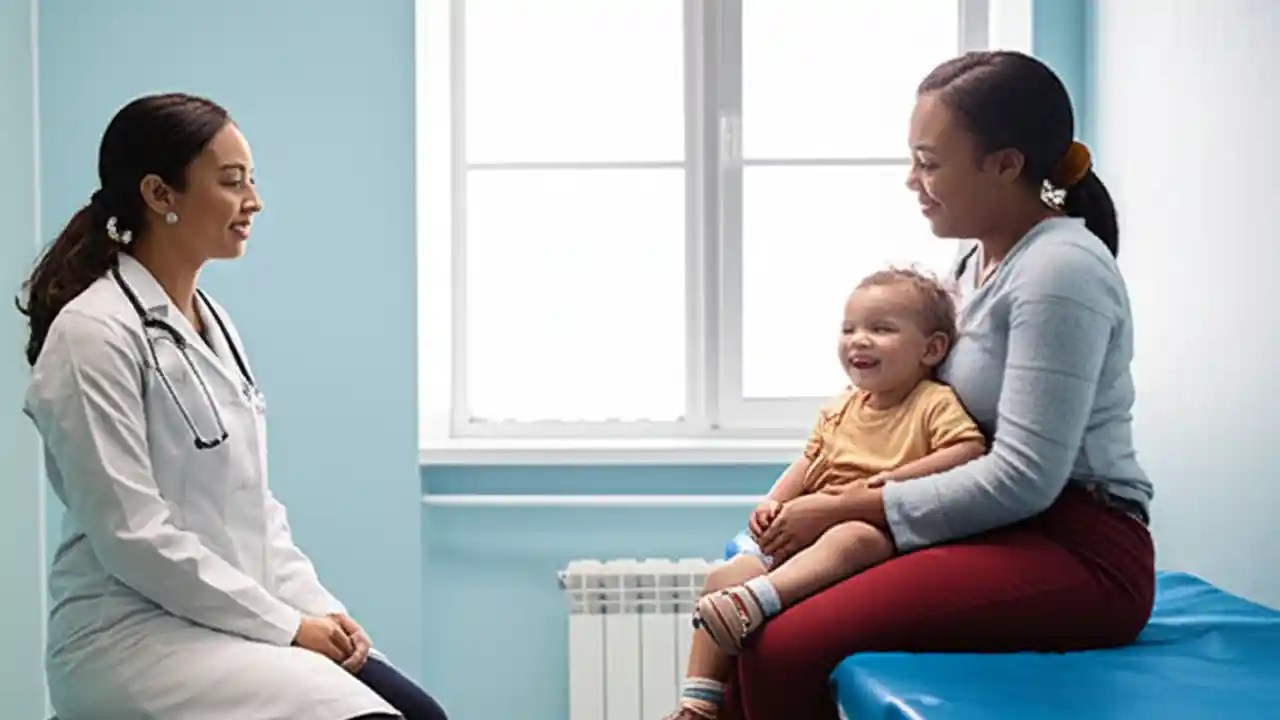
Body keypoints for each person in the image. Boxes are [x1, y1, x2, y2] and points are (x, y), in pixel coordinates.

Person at [711, 50, 1157, 720]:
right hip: (1005, 530)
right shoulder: (976, 263)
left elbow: (1024, 479)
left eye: (929, 162)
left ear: (1005, 164)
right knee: (754, 619)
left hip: (1082, 550)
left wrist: (841, 510)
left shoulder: (1059, 271)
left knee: (783, 642)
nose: (912, 180)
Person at [17, 93, 448, 720]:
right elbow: (134, 538)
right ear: (160, 194)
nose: (254, 200)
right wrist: (288, 626)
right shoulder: (93, 334)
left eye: (252, 179)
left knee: (422, 712)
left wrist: (317, 609)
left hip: (223, 620)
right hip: (130, 638)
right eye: (231, 181)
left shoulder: (211, 324)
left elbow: (253, 508)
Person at [665, 269, 986, 719]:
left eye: (881, 329)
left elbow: (967, 450)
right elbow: (808, 461)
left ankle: (757, 601)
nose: (859, 340)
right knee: (722, 577)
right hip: (806, 534)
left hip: (873, 531)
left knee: (852, 536)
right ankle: (697, 706)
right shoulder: (842, 406)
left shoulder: (932, 402)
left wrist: (880, 485)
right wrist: (772, 502)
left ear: (931, 349)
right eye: (849, 328)